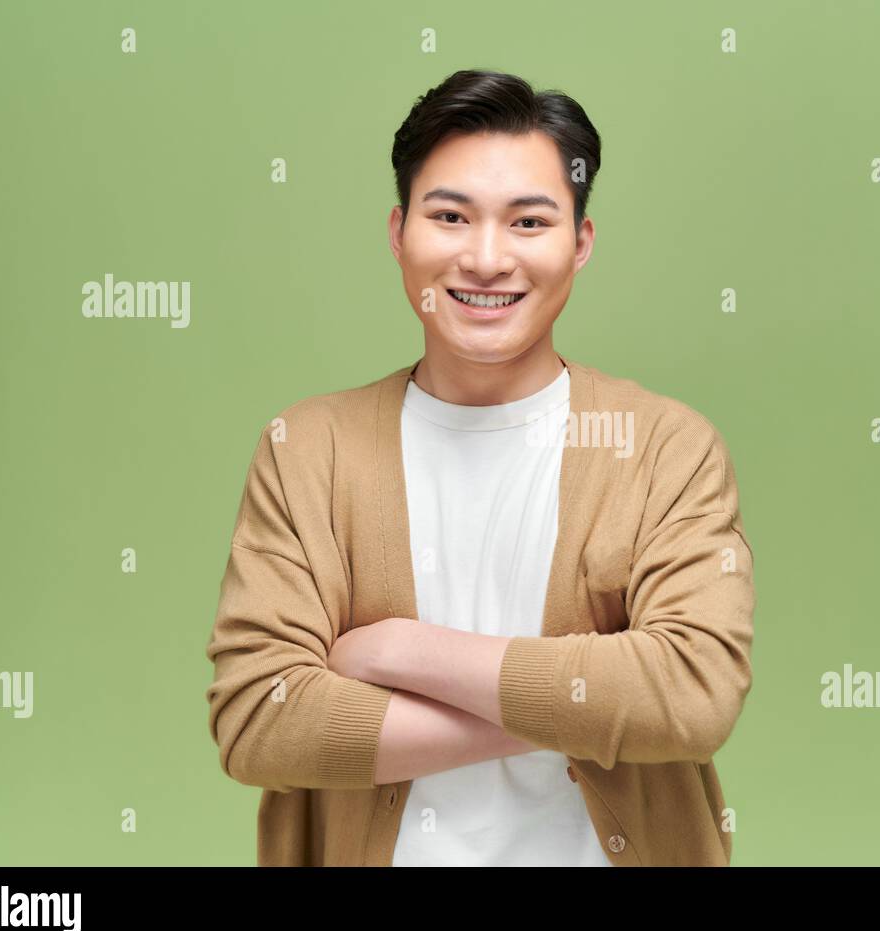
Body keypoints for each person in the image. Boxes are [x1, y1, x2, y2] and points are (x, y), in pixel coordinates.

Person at [205, 69, 756, 866]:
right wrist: (587, 708)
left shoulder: (665, 448)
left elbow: (693, 695)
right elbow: (261, 720)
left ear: (580, 242)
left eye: (529, 221)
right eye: (451, 217)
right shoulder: (307, 449)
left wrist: (402, 651)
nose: (488, 258)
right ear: (399, 233)